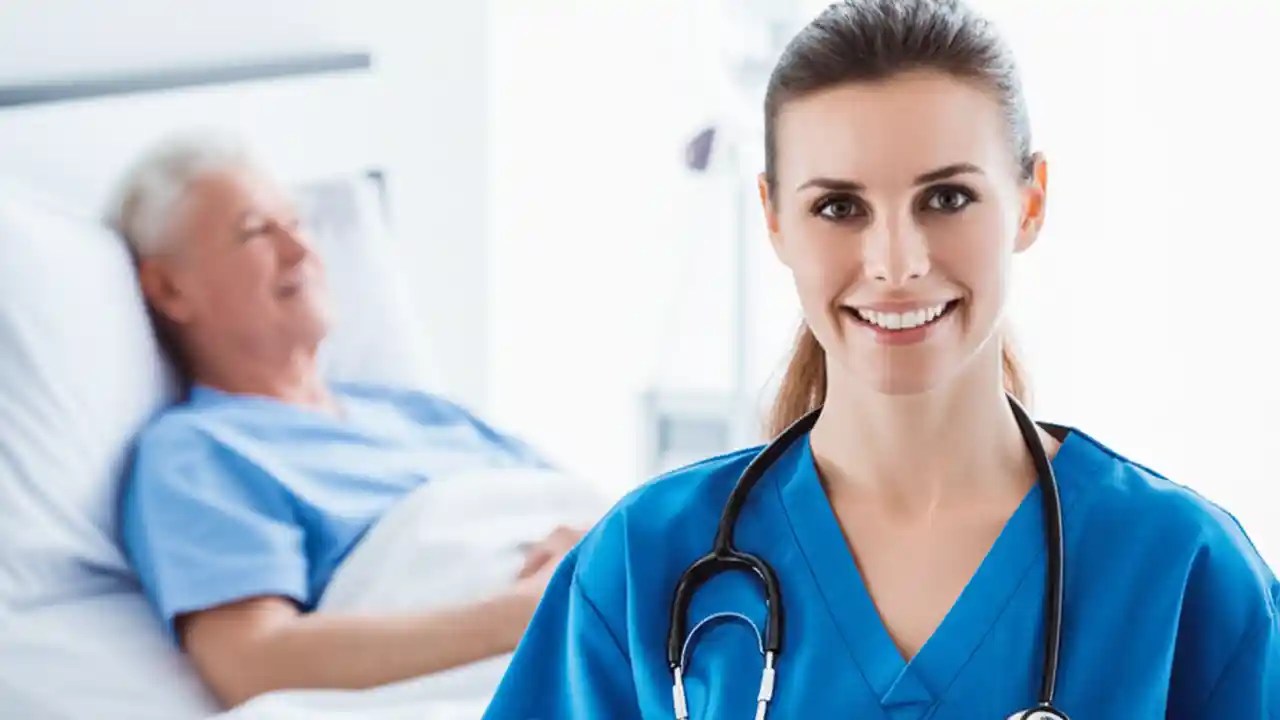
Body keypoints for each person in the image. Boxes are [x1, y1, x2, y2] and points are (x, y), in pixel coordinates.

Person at [482, 1, 1279, 717]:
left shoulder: (1182, 572)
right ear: (774, 219)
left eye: (947, 198)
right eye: (839, 206)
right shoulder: (640, 567)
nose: (896, 263)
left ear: (1030, 202)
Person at [109, 134, 585, 709]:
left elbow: (574, 509)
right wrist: (523, 614)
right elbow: (254, 661)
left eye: (297, 224)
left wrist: (595, 544)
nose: (298, 250)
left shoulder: (426, 413)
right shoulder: (199, 451)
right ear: (169, 288)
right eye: (256, 232)